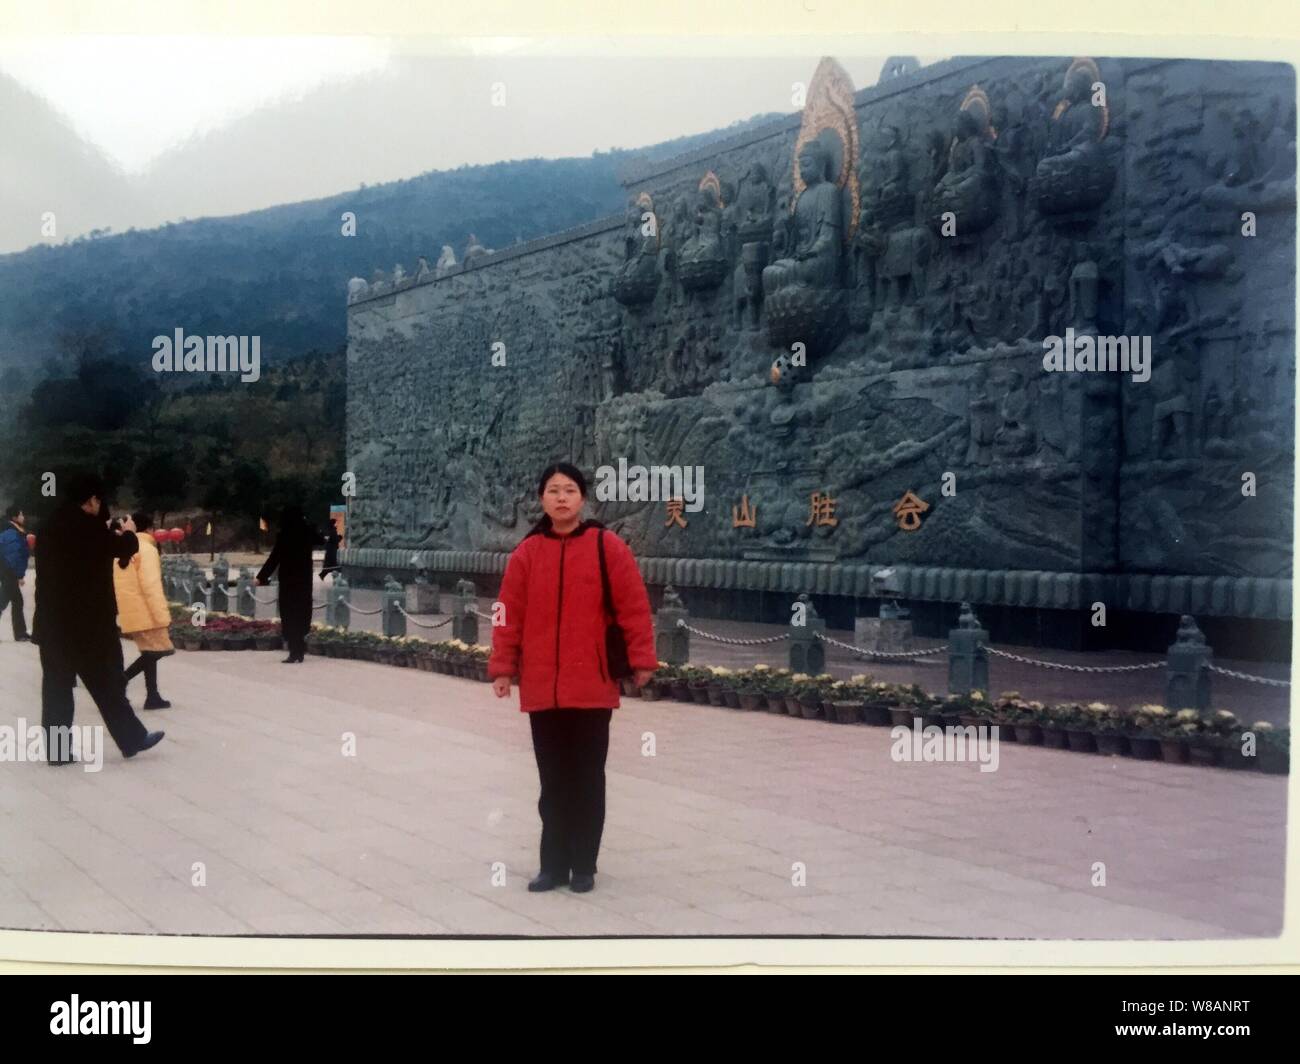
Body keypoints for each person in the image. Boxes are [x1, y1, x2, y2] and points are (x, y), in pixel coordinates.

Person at [489, 463, 656, 894]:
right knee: (552, 781)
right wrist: (503, 667)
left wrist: (642, 662)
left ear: (582, 499)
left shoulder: (607, 547)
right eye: (552, 490)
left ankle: (584, 864)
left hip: (592, 687)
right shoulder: (527, 553)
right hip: (543, 689)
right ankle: (553, 865)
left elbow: (633, 607)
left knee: (587, 778)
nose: (561, 498)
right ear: (541, 499)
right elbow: (508, 614)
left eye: (569, 490)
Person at [32, 473, 164, 764]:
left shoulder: (48, 525)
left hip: (53, 624)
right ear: (91, 500)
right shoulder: (86, 527)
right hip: (87, 626)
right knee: (106, 685)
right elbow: (123, 548)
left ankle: (57, 752)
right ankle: (132, 739)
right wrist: (129, 531)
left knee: (56, 687)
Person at [113, 512, 174, 709]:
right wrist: (161, 614)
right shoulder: (146, 549)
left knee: (150, 650)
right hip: (147, 610)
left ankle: (152, 695)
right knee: (160, 650)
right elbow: (151, 584)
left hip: (131, 610)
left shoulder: (125, 547)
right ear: (149, 528)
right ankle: (120, 682)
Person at [256, 505, 323, 663]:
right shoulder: (307, 531)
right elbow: (320, 540)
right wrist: (311, 526)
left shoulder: (285, 534)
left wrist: (261, 576)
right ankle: (300, 648)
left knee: (290, 613)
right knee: (302, 611)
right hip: (304, 580)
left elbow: (275, 557)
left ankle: (295, 651)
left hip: (288, 581)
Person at [0, 504, 31, 642]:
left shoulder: (14, 530)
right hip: (9, 572)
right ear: (14, 517)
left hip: (8, 571)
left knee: (14, 601)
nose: (23, 517)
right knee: (6, 601)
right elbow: (13, 556)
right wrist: (18, 575)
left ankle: (21, 633)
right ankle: (20, 633)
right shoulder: (11, 532)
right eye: (21, 514)